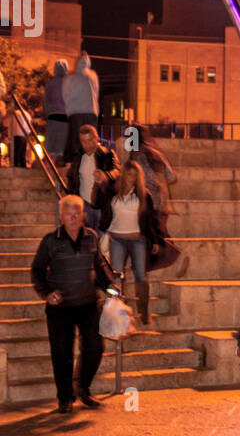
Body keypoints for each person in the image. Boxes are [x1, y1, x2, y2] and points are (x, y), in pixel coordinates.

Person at [30, 194, 118, 413]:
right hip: (60, 308)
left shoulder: (90, 237)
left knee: (95, 347)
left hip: (88, 304)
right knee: (62, 353)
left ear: (83, 215)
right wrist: (47, 293)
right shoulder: (51, 240)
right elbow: (37, 270)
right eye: (69, 213)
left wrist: (110, 287)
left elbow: (98, 267)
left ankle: (84, 389)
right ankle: (65, 397)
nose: (73, 217)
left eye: (77, 213)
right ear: (61, 215)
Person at [100, 159, 161, 324]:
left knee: (141, 274)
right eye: (129, 175)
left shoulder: (143, 194)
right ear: (123, 175)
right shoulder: (111, 192)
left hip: (137, 239)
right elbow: (103, 211)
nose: (132, 179)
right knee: (117, 275)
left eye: (135, 176)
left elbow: (150, 219)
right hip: (117, 238)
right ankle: (117, 311)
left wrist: (155, 240)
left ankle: (143, 310)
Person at [126, 124, 178, 235]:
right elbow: (172, 177)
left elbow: (135, 179)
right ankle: (168, 251)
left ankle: (169, 251)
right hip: (162, 203)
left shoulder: (136, 155)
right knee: (160, 234)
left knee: (151, 239)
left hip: (147, 202)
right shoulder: (158, 154)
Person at [66, 125, 120, 231]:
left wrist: (106, 176)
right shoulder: (78, 157)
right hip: (83, 205)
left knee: (101, 237)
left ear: (97, 138)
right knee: (86, 240)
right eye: (83, 141)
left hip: (102, 204)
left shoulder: (107, 155)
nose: (86, 144)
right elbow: (72, 179)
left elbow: (118, 171)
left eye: (90, 140)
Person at [62, 51, 100, 149]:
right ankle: (90, 161)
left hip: (75, 113)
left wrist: (69, 108)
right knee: (90, 141)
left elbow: (65, 94)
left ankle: (75, 161)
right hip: (91, 112)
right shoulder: (93, 75)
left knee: (76, 139)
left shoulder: (70, 77)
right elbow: (96, 92)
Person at [43, 60, 70, 163]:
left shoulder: (50, 84)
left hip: (53, 115)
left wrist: (47, 113)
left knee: (51, 142)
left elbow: (46, 101)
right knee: (63, 142)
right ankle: (64, 164)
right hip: (66, 116)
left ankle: (49, 163)